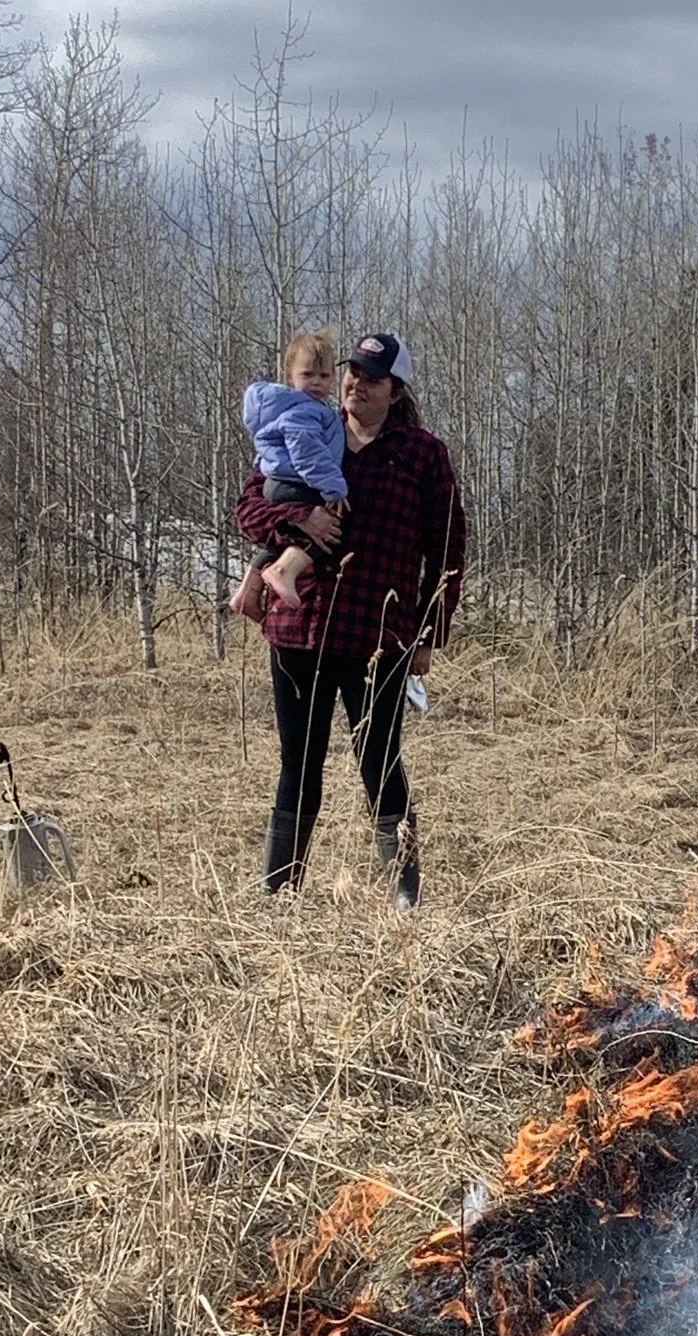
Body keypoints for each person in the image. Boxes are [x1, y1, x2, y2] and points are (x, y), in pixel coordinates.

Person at [235, 331, 466, 910]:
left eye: (372, 378)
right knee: (299, 763)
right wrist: (303, 518)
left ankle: (405, 898)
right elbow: (250, 507)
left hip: (378, 636)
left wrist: (428, 635)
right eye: (352, 373)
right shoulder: (309, 423)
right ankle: (279, 896)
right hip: (300, 628)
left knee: (379, 761)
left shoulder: (421, 454)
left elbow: (446, 550)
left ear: (396, 390)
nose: (356, 384)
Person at [232, 331, 350, 617]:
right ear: (289, 375)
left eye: (324, 376)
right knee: (331, 528)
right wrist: (334, 488)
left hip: (279, 482)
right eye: (308, 374)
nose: (316, 383)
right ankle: (284, 571)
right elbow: (307, 453)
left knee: (284, 537)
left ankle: (249, 588)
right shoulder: (304, 412)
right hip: (294, 483)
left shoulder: (297, 409)